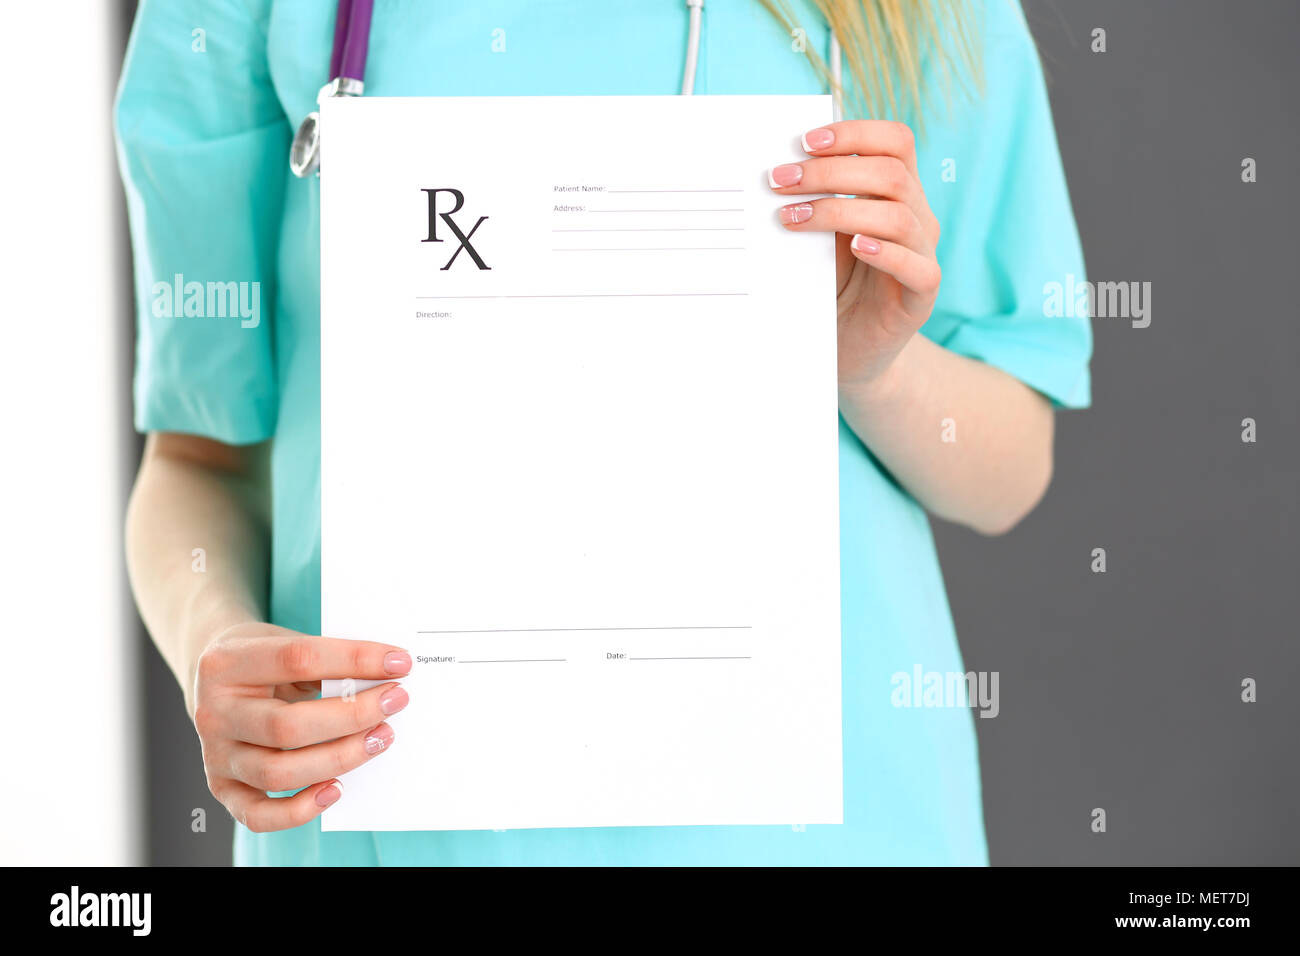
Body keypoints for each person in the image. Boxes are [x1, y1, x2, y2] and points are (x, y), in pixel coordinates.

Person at [116, 0, 1091, 865]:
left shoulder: (929, 13)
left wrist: (866, 362)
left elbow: (1008, 469)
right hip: (398, 817)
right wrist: (217, 639)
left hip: (843, 824)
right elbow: (201, 454)